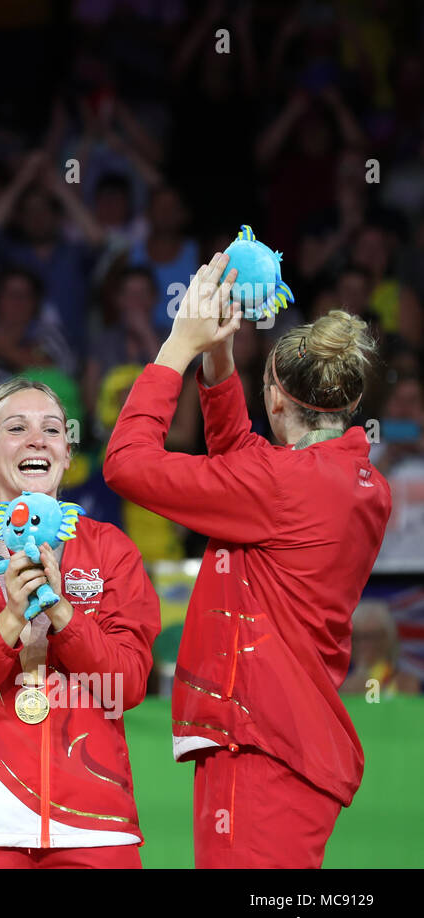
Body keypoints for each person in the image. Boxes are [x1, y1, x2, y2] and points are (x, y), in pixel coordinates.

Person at [103, 253, 392, 868]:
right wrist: (220, 362)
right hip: (293, 740)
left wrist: (178, 347)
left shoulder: (276, 484)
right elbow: (247, 465)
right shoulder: (359, 477)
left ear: (278, 399)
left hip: (259, 745)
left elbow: (125, 463)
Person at [0, 378, 159, 868]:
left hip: (95, 827)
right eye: (15, 428)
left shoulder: (112, 551)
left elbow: (125, 687)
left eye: (52, 429)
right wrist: (10, 620)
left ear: (66, 452)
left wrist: (62, 613)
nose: (36, 440)